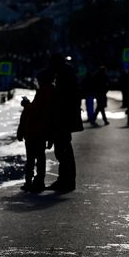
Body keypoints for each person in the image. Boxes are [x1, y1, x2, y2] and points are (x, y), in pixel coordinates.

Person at [47, 53, 82, 192]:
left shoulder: (63, 76)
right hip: (66, 118)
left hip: (63, 119)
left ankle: (66, 181)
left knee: (63, 150)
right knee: (64, 150)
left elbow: (61, 101)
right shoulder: (67, 73)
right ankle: (65, 180)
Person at [16, 70, 54, 192]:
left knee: (32, 158)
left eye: (38, 80)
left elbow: (36, 111)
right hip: (40, 132)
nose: (37, 82)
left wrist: (27, 104)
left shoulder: (44, 91)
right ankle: (38, 181)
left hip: (35, 131)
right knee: (40, 158)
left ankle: (32, 182)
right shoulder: (49, 91)